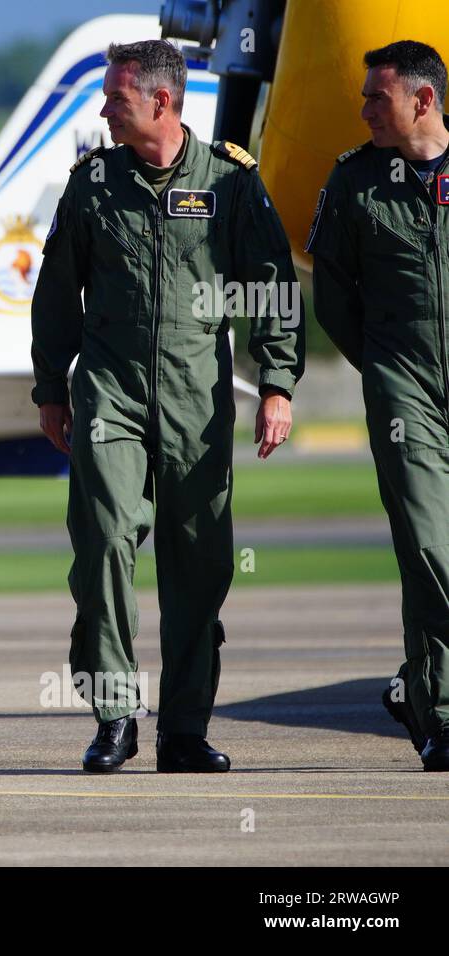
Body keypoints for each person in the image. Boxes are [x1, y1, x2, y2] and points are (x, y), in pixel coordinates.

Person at [31, 39, 304, 774]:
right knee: (104, 541)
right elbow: (56, 295)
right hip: (110, 389)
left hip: (198, 396)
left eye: (116, 99)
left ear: (161, 101)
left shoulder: (230, 182)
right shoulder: (92, 184)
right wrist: (50, 389)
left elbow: (273, 285)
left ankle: (183, 730)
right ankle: (116, 713)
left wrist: (277, 383)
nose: (103, 110)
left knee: (198, 565)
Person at [309, 40, 449, 771]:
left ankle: (422, 696)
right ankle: (444, 714)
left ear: (423, 100)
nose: (363, 109)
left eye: (377, 98)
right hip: (405, 388)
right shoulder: (356, 182)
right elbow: (332, 294)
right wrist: (388, 367)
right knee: (429, 545)